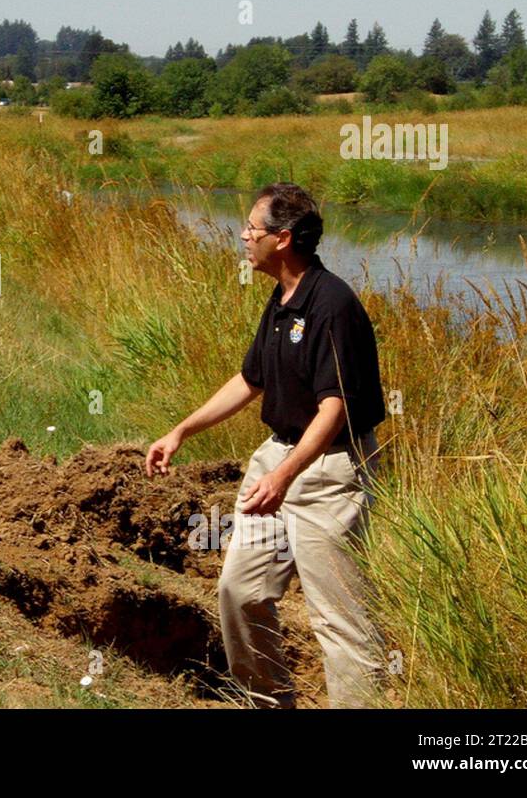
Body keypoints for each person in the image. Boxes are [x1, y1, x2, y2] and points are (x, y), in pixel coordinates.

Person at [146, 183, 387, 708]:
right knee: (241, 590)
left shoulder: (333, 305)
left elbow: (336, 408)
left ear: (282, 239)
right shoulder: (281, 301)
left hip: (329, 471)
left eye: (251, 230)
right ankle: (268, 702)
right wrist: (181, 431)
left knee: (340, 620)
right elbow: (250, 379)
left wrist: (287, 476)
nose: (242, 237)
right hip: (277, 459)